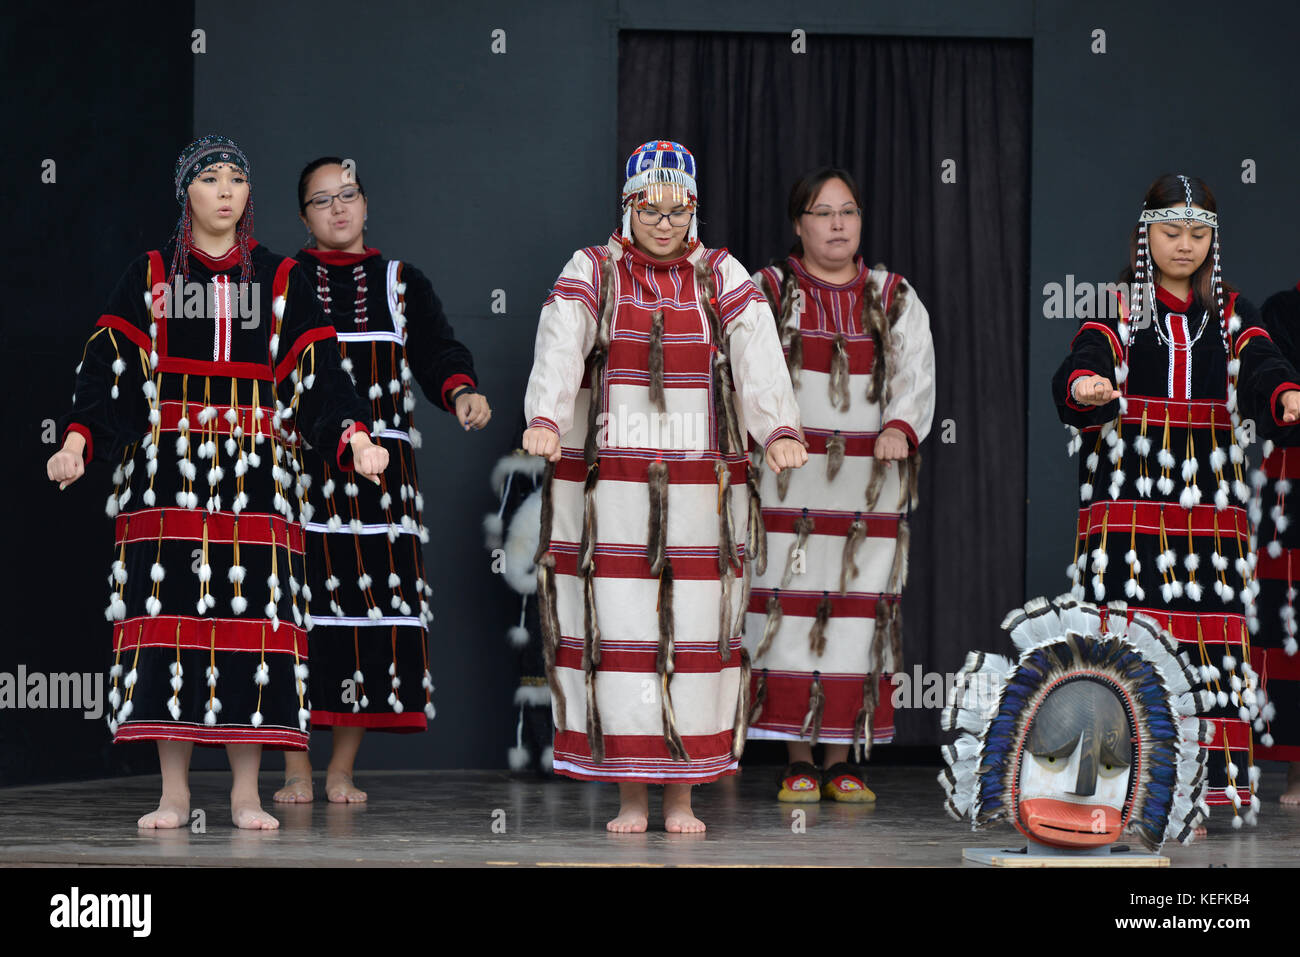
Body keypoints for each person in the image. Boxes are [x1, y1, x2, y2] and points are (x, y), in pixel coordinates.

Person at [45, 135, 388, 829]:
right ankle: (173, 792)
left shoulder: (279, 277)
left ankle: (243, 793)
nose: (226, 190)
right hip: (166, 476)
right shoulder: (151, 276)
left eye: (236, 178)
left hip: (256, 478)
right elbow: (109, 367)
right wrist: (81, 437)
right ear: (186, 194)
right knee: (170, 628)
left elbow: (316, 375)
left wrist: (353, 434)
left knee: (251, 629)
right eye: (210, 178)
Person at [522, 140, 806, 832]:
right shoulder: (595, 269)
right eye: (649, 207)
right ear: (628, 206)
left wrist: (779, 429)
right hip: (611, 497)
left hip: (700, 503)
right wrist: (547, 416)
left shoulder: (721, 274)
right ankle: (628, 797)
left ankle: (681, 796)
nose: (664, 220)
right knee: (620, 641)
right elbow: (563, 336)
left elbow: (757, 350)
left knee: (695, 643)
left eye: (677, 208)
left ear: (693, 209)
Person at [1052, 173, 1300, 830]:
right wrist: (1087, 385)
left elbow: (1264, 364)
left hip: (1208, 514)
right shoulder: (1123, 310)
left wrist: (1283, 395)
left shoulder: (1233, 315)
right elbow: (1082, 358)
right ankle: (1117, 782)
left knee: (1205, 641)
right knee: (1131, 635)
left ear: (1211, 241)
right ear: (1146, 235)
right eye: (1171, 231)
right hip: (1129, 506)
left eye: (1197, 233)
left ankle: (1191, 787)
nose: (1184, 245)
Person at [272, 158, 489, 805]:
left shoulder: (400, 282)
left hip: (379, 481)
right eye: (321, 200)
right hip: (299, 471)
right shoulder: (285, 280)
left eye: (348, 195)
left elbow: (436, 351)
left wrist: (462, 391)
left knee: (366, 619)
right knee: (293, 615)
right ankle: (293, 766)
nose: (338, 209)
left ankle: (341, 767)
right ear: (303, 216)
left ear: (366, 203)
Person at [744, 168, 935, 803]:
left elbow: (915, 370)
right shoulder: (767, 292)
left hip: (867, 494)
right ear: (798, 224)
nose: (836, 224)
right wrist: (773, 433)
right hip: (786, 493)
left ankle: (845, 759)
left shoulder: (894, 296)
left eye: (847, 212)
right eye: (822, 213)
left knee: (858, 616)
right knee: (789, 612)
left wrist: (901, 428)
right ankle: (798, 757)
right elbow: (742, 367)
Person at [1248, 280, 1300, 803]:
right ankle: (1296, 767)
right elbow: (1269, 403)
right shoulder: (1280, 310)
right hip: (1293, 482)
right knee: (1290, 623)